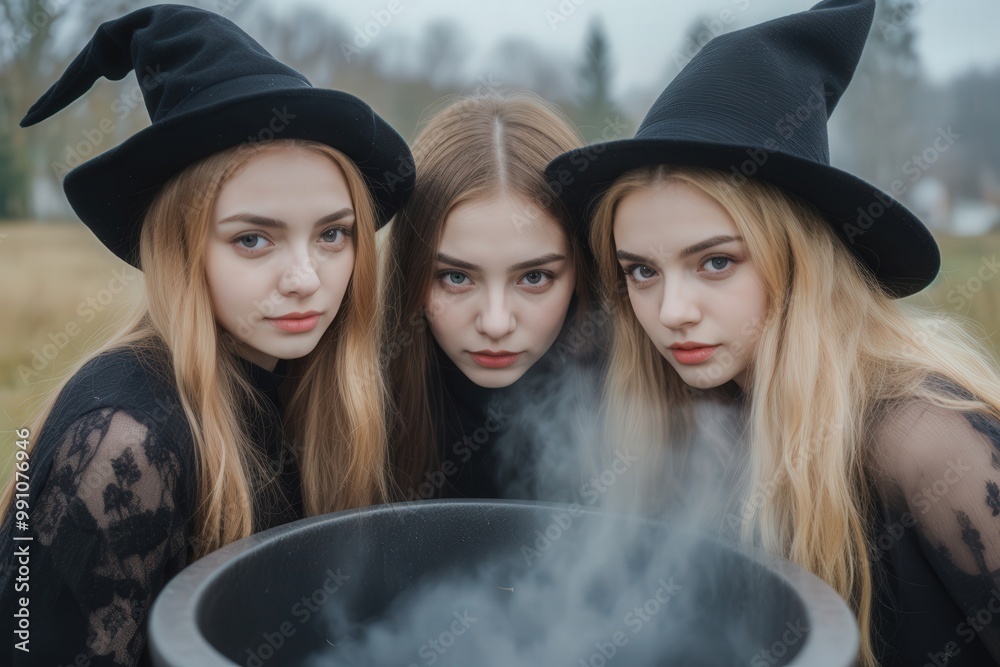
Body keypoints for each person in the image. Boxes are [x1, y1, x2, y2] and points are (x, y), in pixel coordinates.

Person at [546, 1, 1000, 665]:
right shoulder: (693, 417)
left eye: (716, 262)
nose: (671, 311)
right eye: (641, 270)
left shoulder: (923, 440)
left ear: (800, 262)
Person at [0, 6, 413, 666]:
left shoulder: (318, 386)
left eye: (333, 234)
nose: (306, 279)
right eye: (253, 239)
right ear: (180, 248)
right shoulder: (123, 446)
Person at [383, 92, 607, 503]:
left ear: (582, 271)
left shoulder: (646, 397)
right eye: (455, 277)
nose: (496, 323)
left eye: (534, 277)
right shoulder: (350, 400)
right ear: (408, 272)